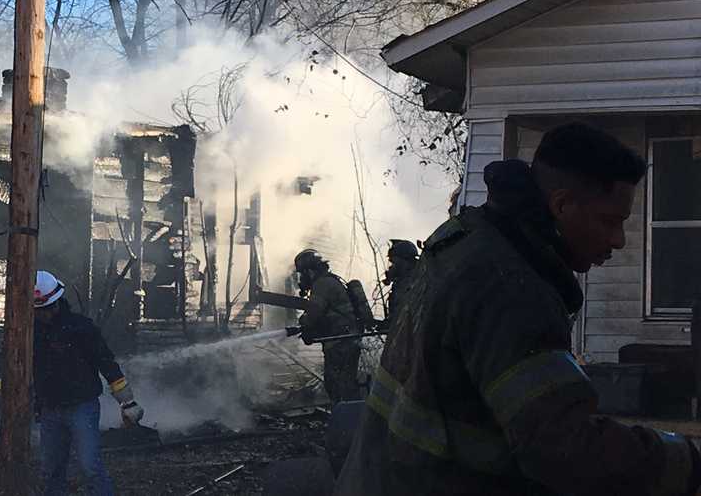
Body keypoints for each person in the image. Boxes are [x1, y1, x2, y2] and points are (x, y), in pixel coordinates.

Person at [335, 123, 701, 495]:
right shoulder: (510, 287)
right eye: (610, 221)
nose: (618, 241)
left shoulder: (466, 237)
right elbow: (562, 447)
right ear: (561, 205)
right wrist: (683, 462)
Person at [0, 270, 143, 496]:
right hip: (50, 410)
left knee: (90, 467)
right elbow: (12, 372)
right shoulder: (29, 333)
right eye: (37, 310)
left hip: (82, 408)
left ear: (55, 304)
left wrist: (127, 403)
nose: (41, 315)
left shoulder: (80, 328)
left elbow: (107, 364)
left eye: (45, 309)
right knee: (52, 470)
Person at [294, 249, 362, 404]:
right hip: (345, 340)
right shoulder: (330, 281)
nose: (301, 278)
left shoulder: (322, 284)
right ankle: (352, 419)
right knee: (345, 384)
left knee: (338, 385)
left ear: (309, 271)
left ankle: (349, 422)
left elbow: (313, 314)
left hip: (341, 343)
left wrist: (303, 323)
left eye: (302, 274)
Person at [383, 238, 419, 332]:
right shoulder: (401, 283)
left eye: (393, 262)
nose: (390, 267)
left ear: (404, 262)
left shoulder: (414, 283)